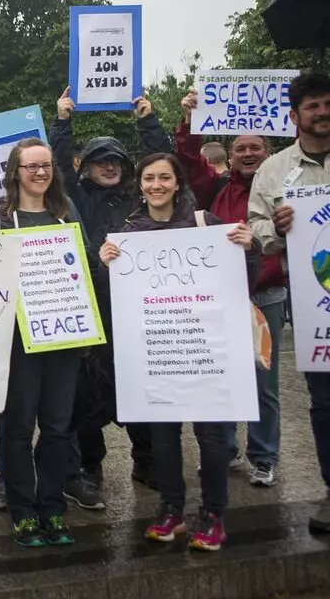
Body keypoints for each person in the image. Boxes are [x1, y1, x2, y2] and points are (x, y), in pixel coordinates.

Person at [101, 153, 259, 551]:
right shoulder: (127, 233)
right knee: (163, 437)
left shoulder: (207, 224)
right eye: (149, 178)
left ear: (177, 182)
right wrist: (104, 266)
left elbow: (244, 280)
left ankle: (213, 515)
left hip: (205, 349)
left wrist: (251, 247)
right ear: (139, 184)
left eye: (164, 178)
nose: (156, 185)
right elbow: (113, 299)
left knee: (211, 437)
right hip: (157, 350)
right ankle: (171, 511)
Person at [50, 88, 171, 504]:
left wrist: (147, 120)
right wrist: (62, 122)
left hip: (138, 306)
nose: (108, 166)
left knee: (139, 382)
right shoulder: (74, 196)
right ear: (88, 167)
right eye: (100, 160)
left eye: (115, 161)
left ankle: (147, 459)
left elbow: (165, 165)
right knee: (87, 391)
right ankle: (91, 464)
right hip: (91, 303)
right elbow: (59, 166)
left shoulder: (140, 196)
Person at [0, 138, 84, 547]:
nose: (40, 173)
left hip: (65, 338)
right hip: (17, 345)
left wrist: (108, 257)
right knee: (18, 429)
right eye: (31, 167)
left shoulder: (66, 213)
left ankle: (53, 508)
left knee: (57, 428)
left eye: (46, 166)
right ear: (14, 173)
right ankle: (23, 511)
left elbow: (86, 263)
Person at [176, 99, 282, 487]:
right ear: (231, 156)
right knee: (219, 376)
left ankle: (264, 456)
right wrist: (190, 119)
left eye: (256, 147)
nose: (248, 153)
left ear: (267, 154)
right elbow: (187, 160)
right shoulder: (217, 188)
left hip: (265, 295)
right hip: (218, 297)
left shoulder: (282, 188)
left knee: (263, 384)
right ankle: (224, 450)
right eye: (241, 148)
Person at [248, 70, 330, 533]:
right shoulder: (276, 170)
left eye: (327, 103)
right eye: (313, 106)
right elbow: (257, 227)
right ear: (295, 116)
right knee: (324, 399)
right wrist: (275, 229)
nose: (322, 112)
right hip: (317, 301)